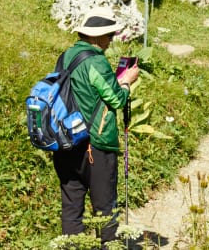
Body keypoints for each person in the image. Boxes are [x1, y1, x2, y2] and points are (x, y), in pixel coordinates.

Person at [53, 13, 140, 246]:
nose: (112, 39)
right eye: (110, 35)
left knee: (71, 206)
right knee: (105, 207)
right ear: (98, 37)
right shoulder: (96, 62)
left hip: (65, 141)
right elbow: (116, 99)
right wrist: (126, 81)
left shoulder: (65, 57)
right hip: (95, 144)